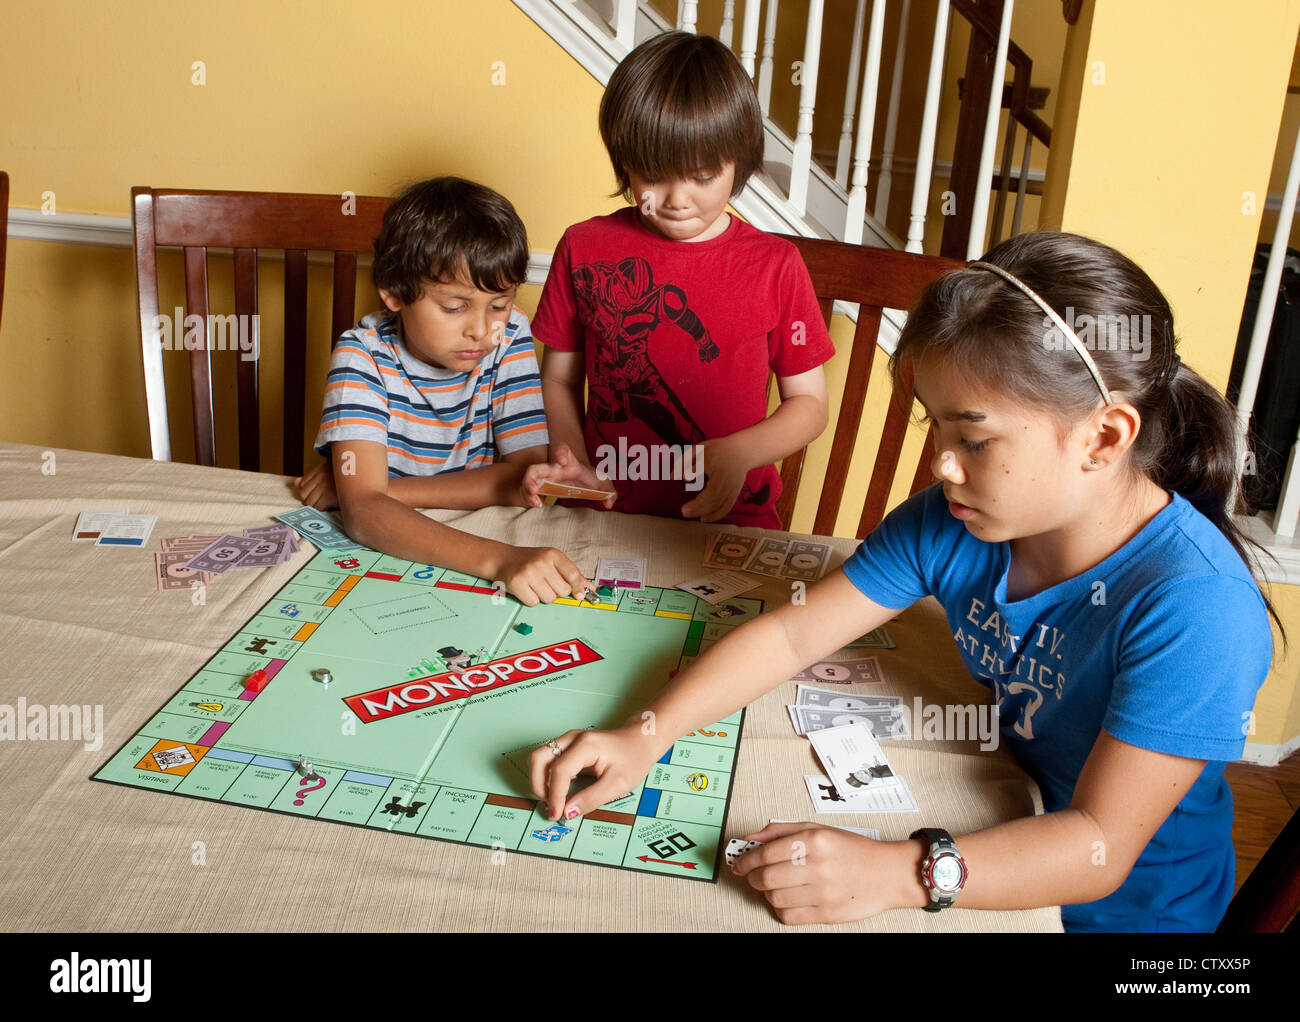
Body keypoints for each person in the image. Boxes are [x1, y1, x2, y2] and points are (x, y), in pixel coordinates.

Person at [530, 231, 1276, 931]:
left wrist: (896, 873)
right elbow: (792, 633)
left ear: (1104, 437)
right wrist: (644, 734)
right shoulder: (953, 518)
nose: (942, 466)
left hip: (1125, 920)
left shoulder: (1200, 607)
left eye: (975, 440)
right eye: (936, 429)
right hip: (1005, 823)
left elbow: (1099, 848)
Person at [522, 31, 834, 529]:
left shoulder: (777, 264)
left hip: (732, 520)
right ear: (624, 159)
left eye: (703, 175)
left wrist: (737, 454)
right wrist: (572, 460)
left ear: (741, 160)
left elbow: (810, 404)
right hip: (605, 510)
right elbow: (559, 379)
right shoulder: (583, 248)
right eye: (653, 173)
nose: (677, 199)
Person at [297, 177, 591, 606]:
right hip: (398, 554)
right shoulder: (361, 356)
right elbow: (363, 519)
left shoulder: (507, 336)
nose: (480, 328)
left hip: (473, 534)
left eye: (499, 303)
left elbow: (524, 477)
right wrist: (500, 562)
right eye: (453, 307)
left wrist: (372, 492)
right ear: (394, 292)